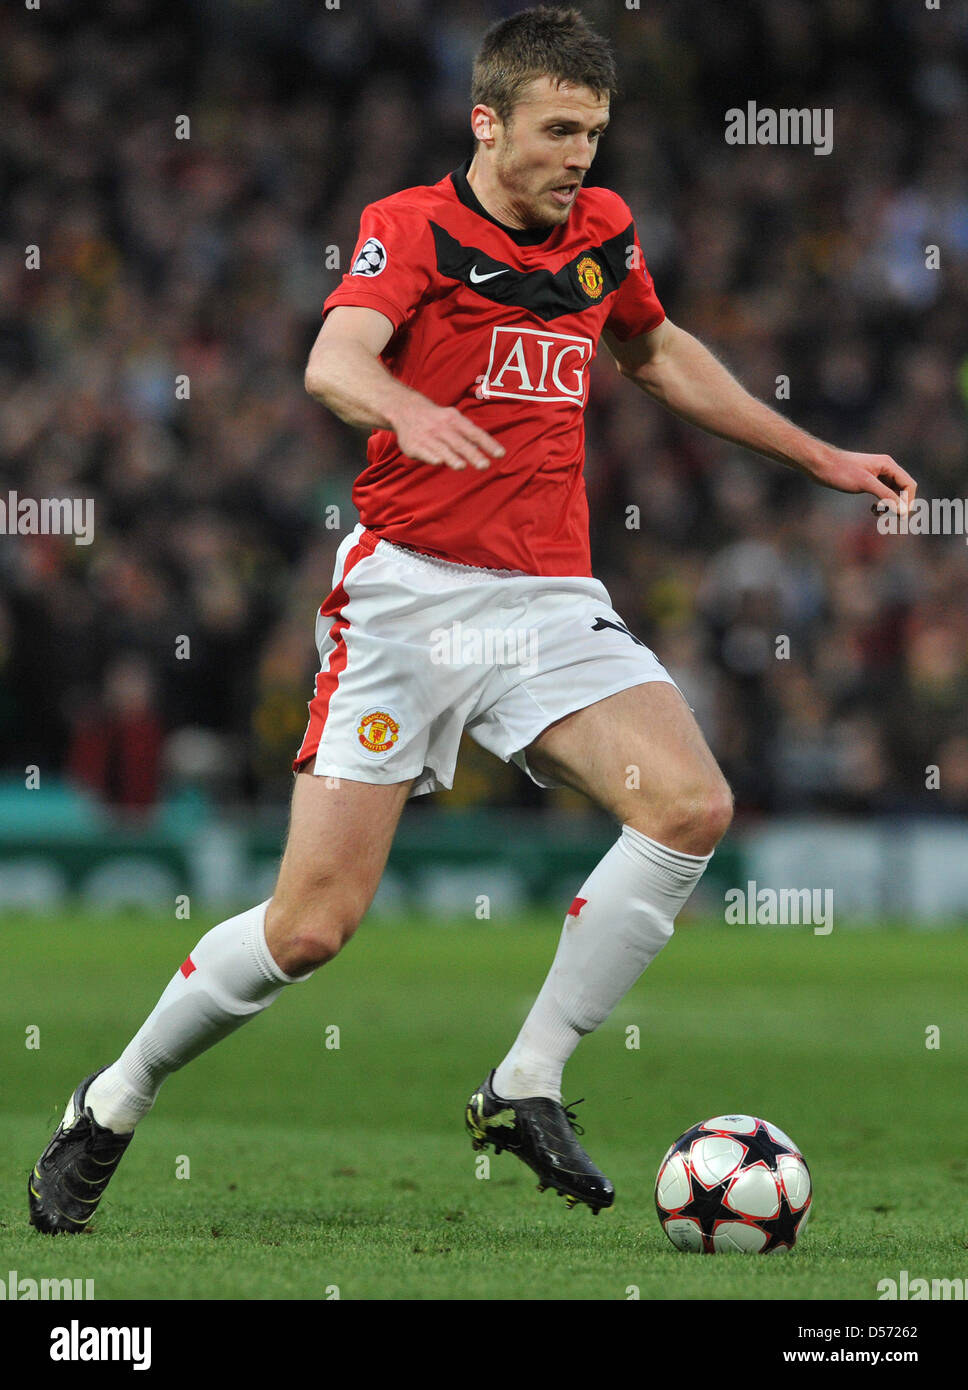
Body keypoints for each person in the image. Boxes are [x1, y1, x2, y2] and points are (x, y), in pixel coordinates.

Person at [29, 6, 916, 1232]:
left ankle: (524, 1078)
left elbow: (655, 352)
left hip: (548, 598)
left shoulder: (602, 232)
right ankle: (112, 1099)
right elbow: (332, 362)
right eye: (556, 130)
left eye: (593, 133)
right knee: (311, 926)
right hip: (406, 601)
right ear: (486, 122)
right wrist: (402, 407)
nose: (578, 157)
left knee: (689, 804)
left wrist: (812, 451)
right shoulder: (412, 227)